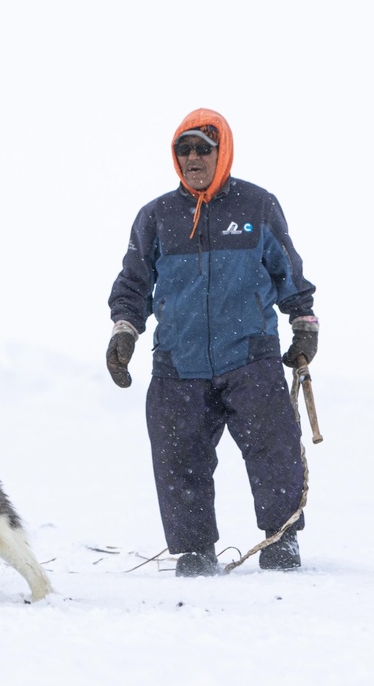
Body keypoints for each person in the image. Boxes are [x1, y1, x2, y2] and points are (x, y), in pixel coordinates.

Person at [106, 108, 318, 577]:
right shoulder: (157, 216)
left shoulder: (257, 206)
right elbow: (133, 284)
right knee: (177, 458)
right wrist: (124, 333)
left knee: (274, 449)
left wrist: (304, 324)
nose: (193, 156)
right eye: (184, 148)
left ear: (223, 152)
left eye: (204, 147)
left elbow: (289, 272)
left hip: (249, 356)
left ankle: (281, 539)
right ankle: (195, 549)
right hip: (178, 363)